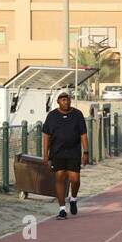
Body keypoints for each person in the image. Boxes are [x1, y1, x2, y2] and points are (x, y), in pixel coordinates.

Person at [42, 91, 89, 219]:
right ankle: (62, 209)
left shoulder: (77, 114)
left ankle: (73, 198)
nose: (65, 102)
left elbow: (83, 134)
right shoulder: (52, 116)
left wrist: (86, 152)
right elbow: (46, 135)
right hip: (57, 152)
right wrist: (45, 154)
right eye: (62, 100)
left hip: (73, 152)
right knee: (60, 178)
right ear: (58, 102)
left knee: (75, 179)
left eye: (67, 99)